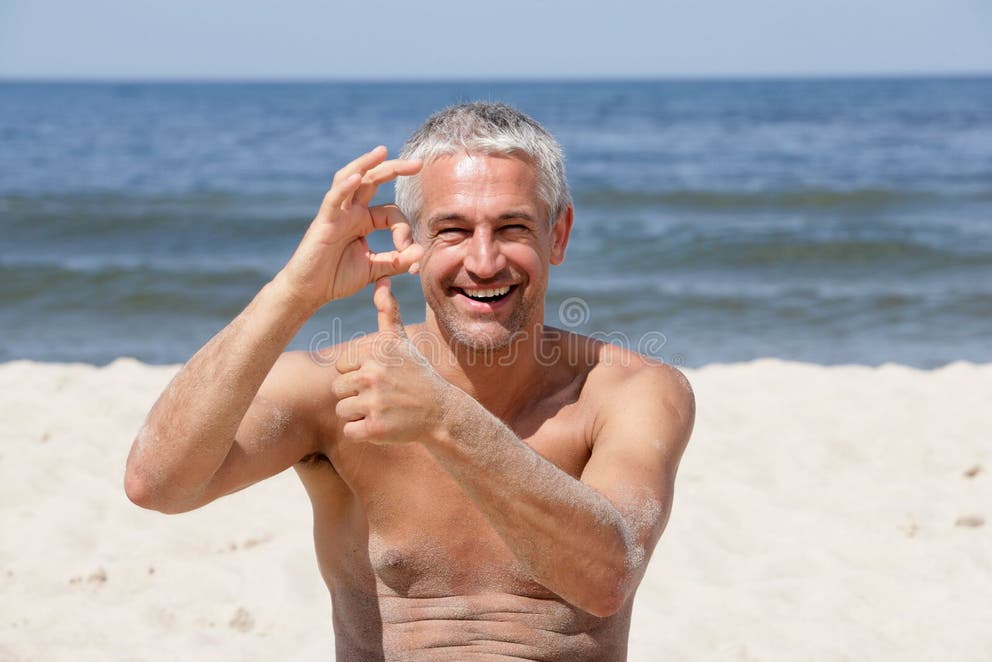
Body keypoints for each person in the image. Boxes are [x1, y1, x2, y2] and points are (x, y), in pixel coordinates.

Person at [124, 102, 695, 660]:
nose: (485, 260)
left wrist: (446, 418)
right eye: (452, 230)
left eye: (512, 227)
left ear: (558, 235)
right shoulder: (339, 390)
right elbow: (159, 483)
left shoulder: (628, 391)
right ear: (410, 243)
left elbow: (606, 580)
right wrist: (297, 289)